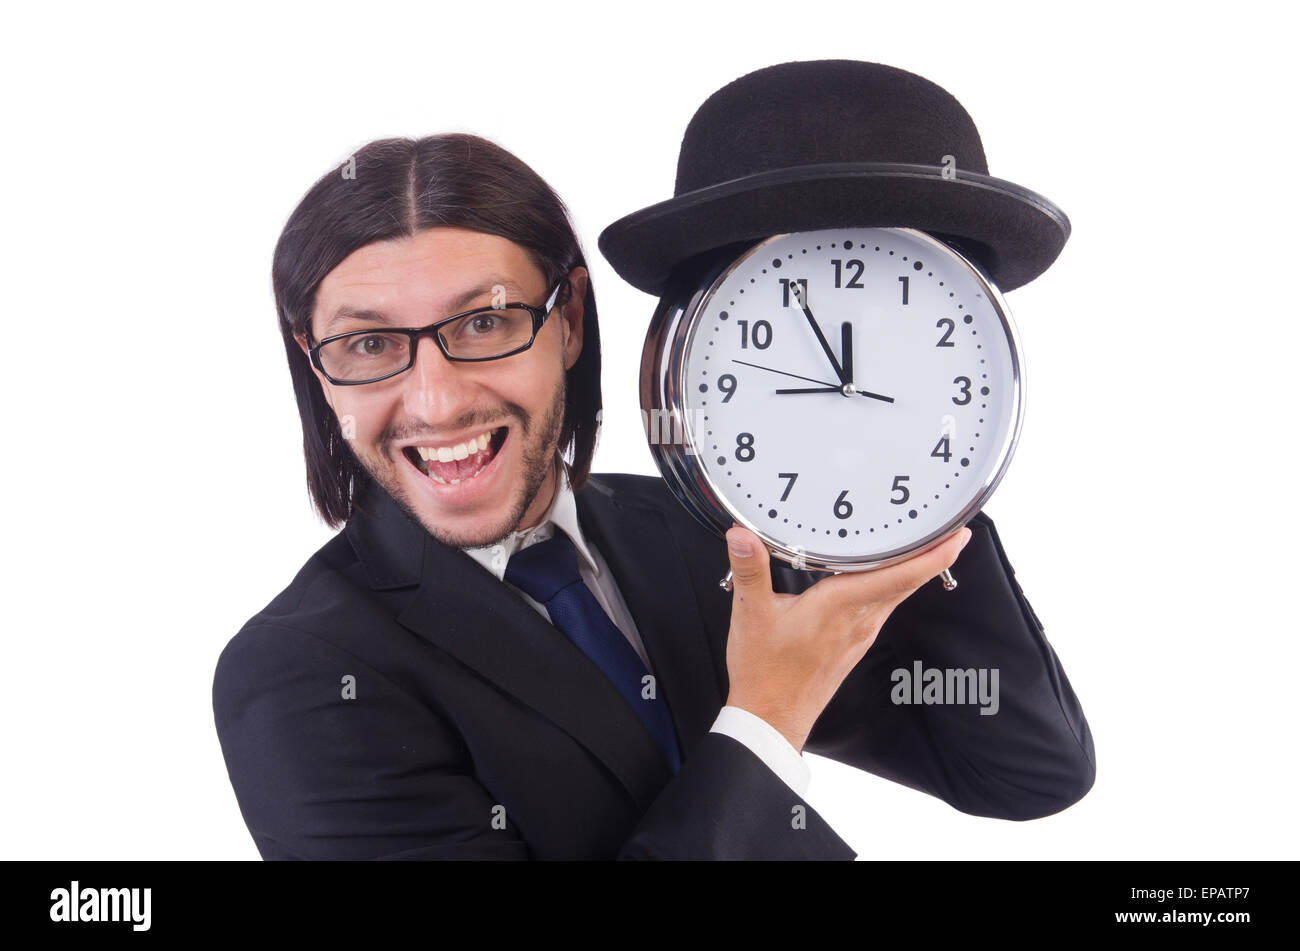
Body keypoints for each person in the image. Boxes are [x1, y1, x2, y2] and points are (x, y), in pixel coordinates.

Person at [212, 131, 1095, 861]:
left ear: (566, 323)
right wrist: (764, 715)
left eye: (484, 323)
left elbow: (1021, 769)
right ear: (315, 368)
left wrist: (922, 475)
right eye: (368, 345)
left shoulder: (701, 534)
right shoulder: (300, 677)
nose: (438, 399)